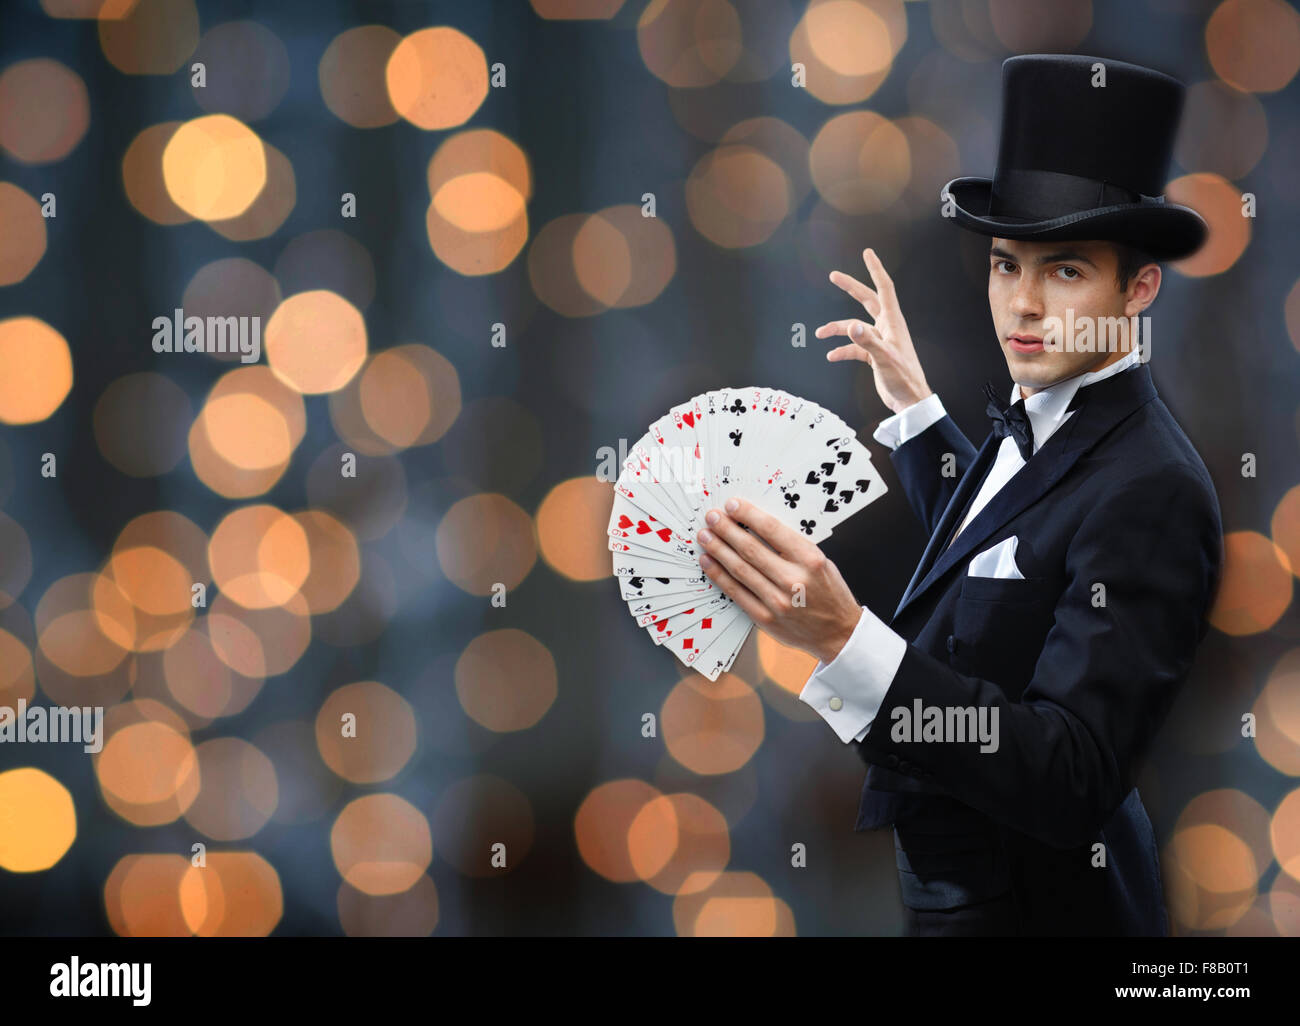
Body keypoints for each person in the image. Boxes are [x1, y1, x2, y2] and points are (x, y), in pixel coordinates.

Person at [693, 54, 1224, 935]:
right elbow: (1006, 547)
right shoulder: (1042, 422)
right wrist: (916, 413)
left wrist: (847, 641)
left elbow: (1067, 778)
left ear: (1138, 289)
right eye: (1004, 265)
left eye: (1063, 273)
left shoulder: (1155, 489)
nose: (1022, 306)